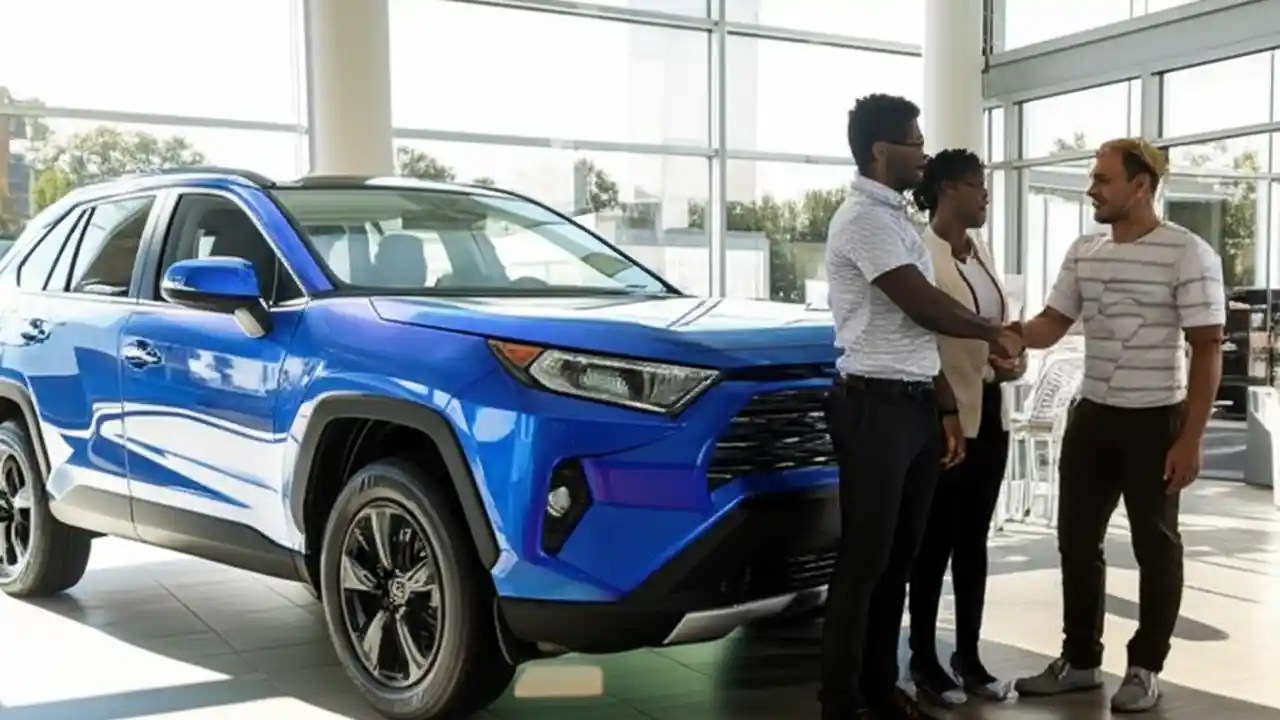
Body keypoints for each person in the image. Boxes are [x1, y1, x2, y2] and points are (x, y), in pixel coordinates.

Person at [820, 93, 1022, 720]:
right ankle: (841, 698)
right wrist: (992, 333)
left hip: (909, 404)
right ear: (883, 151)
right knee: (865, 560)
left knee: (900, 558)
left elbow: (918, 338)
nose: (923, 151)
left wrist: (942, 407)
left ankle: (882, 685)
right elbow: (919, 306)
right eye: (914, 140)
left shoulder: (898, 218)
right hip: (872, 407)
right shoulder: (863, 220)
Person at [1009, 137, 1225, 713]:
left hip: (1156, 418)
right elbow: (1052, 323)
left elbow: (1207, 348)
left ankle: (1144, 667)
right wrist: (1003, 335)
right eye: (1093, 178)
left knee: (1156, 548)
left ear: (1141, 186)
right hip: (1094, 415)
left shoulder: (1188, 253)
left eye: (1103, 179)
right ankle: (1080, 661)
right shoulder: (1085, 250)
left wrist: (1191, 437)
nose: (1091, 189)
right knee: (1076, 541)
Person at [905, 149, 1023, 708]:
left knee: (973, 541)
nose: (985, 196)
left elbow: (992, 329)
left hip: (991, 414)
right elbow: (921, 338)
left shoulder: (982, 252)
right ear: (948, 189)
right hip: (945, 418)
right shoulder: (919, 254)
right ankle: (923, 658)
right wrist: (948, 401)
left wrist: (1011, 361)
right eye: (978, 185)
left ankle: (968, 656)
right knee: (935, 543)